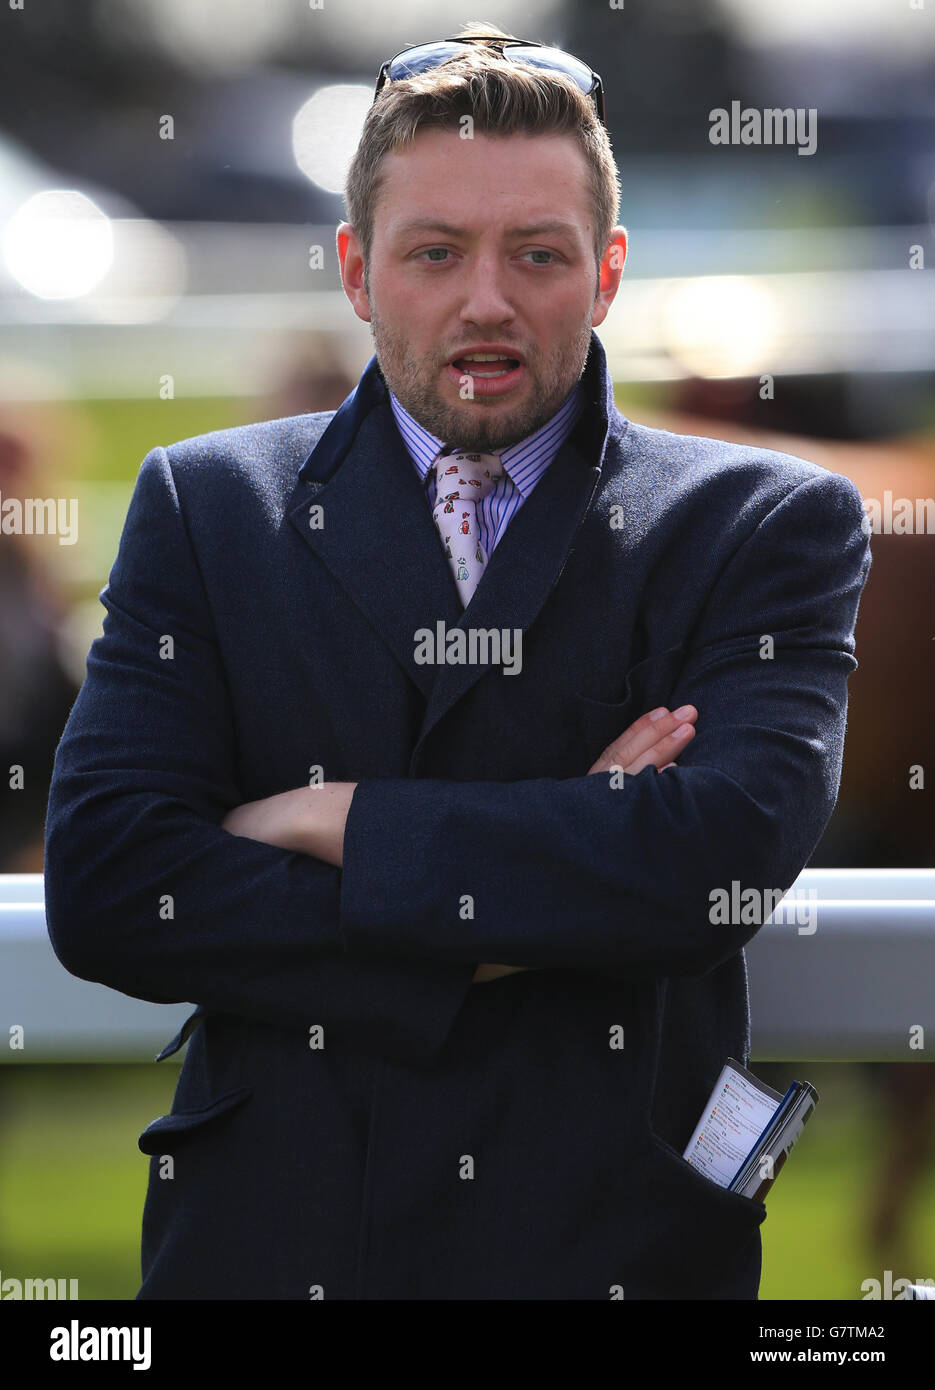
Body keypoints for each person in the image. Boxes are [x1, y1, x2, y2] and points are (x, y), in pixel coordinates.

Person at [44, 22, 871, 1299]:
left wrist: (336, 818)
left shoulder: (761, 524)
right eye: (434, 252)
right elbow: (110, 881)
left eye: (536, 254)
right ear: (357, 271)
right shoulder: (207, 506)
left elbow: (710, 864)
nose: (485, 298)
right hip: (270, 1246)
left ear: (603, 276)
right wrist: (561, 866)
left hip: (607, 1250)